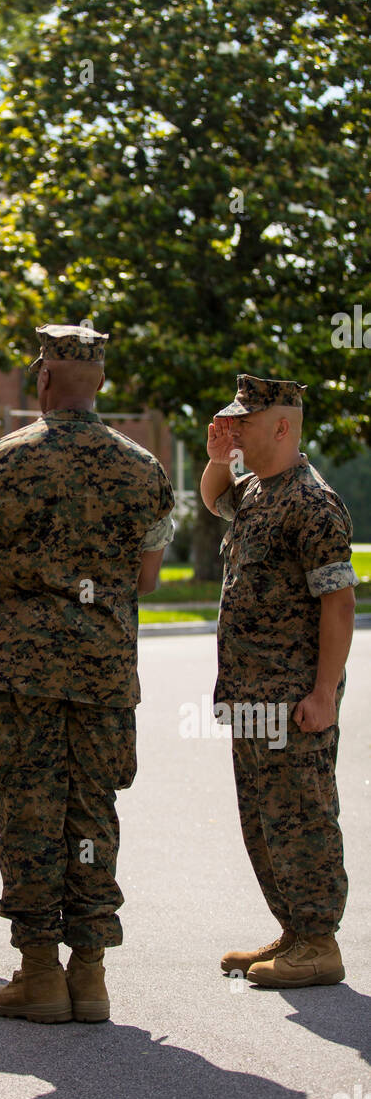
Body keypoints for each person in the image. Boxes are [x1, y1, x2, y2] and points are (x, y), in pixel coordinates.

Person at [0, 323, 175, 1023]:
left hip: (22, 675)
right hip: (104, 675)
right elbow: (150, 577)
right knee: (93, 815)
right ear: (98, 382)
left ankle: (39, 975)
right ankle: (90, 976)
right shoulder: (144, 468)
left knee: (32, 817)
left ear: (43, 379)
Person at [200, 374, 357, 988]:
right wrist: (219, 458)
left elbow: (338, 604)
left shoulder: (312, 503)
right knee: (264, 818)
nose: (234, 428)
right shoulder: (259, 490)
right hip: (249, 696)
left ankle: (319, 941)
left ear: (283, 426)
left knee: (302, 817)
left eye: (246, 421)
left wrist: (323, 694)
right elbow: (216, 499)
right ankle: (294, 930)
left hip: (293, 701)